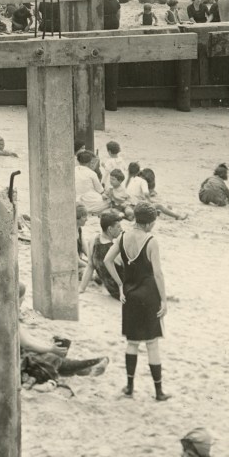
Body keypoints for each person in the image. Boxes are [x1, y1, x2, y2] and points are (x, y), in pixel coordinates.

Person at [105, 204, 169, 401]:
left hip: (130, 294)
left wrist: (121, 284)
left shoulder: (122, 237)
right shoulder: (151, 241)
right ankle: (158, 392)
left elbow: (108, 260)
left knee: (132, 343)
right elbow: (157, 273)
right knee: (152, 345)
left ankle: (130, 387)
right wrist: (164, 299)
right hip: (149, 295)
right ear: (148, 222)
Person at [86, 210, 125, 298]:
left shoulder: (93, 239)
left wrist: (81, 288)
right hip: (122, 293)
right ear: (110, 229)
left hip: (110, 289)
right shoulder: (113, 251)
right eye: (118, 227)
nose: (121, 229)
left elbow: (90, 265)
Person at [75, 149, 107, 214]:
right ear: (90, 162)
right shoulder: (91, 173)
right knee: (109, 201)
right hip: (89, 200)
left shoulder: (74, 169)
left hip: (76, 198)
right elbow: (100, 190)